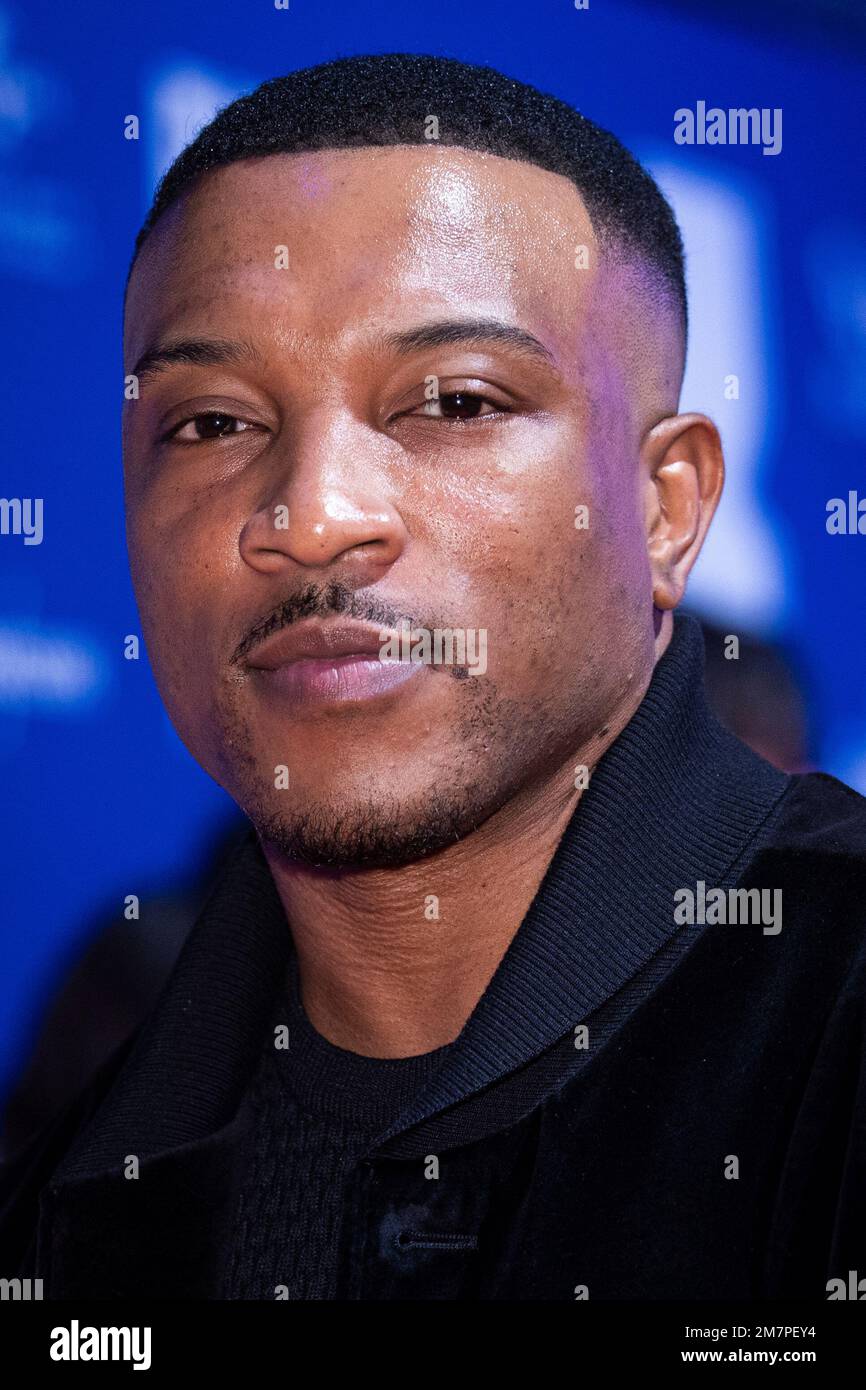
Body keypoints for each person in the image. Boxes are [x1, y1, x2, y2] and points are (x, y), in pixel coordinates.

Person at [2, 53, 865, 1301]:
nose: (310, 513)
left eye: (452, 401)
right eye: (212, 423)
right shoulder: (75, 1195)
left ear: (665, 508)